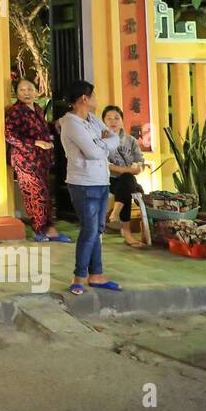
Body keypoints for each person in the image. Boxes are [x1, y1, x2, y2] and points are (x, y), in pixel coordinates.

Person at [58, 79, 122, 294]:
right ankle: (79, 277)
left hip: (101, 180)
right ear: (84, 99)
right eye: (94, 95)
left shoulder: (93, 120)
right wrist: (102, 146)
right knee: (89, 230)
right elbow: (93, 153)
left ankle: (97, 275)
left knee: (98, 230)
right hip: (84, 183)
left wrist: (100, 144)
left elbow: (115, 139)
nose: (96, 99)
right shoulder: (71, 123)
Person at [5, 77, 69, 242]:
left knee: (45, 194)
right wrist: (35, 143)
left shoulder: (38, 109)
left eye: (29, 89)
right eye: (22, 90)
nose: (26, 93)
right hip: (25, 160)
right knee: (36, 195)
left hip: (42, 160)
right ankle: (40, 230)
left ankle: (48, 228)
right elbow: (10, 135)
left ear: (36, 91)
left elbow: (42, 127)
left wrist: (55, 124)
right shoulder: (14, 111)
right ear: (16, 93)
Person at [102, 105, 149, 248]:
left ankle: (115, 213)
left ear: (122, 121)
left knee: (127, 181)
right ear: (103, 121)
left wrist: (138, 168)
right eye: (108, 118)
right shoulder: (100, 140)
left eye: (116, 118)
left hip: (126, 179)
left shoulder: (130, 141)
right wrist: (127, 169)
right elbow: (105, 165)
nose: (113, 121)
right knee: (127, 183)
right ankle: (127, 233)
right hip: (107, 179)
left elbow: (139, 162)